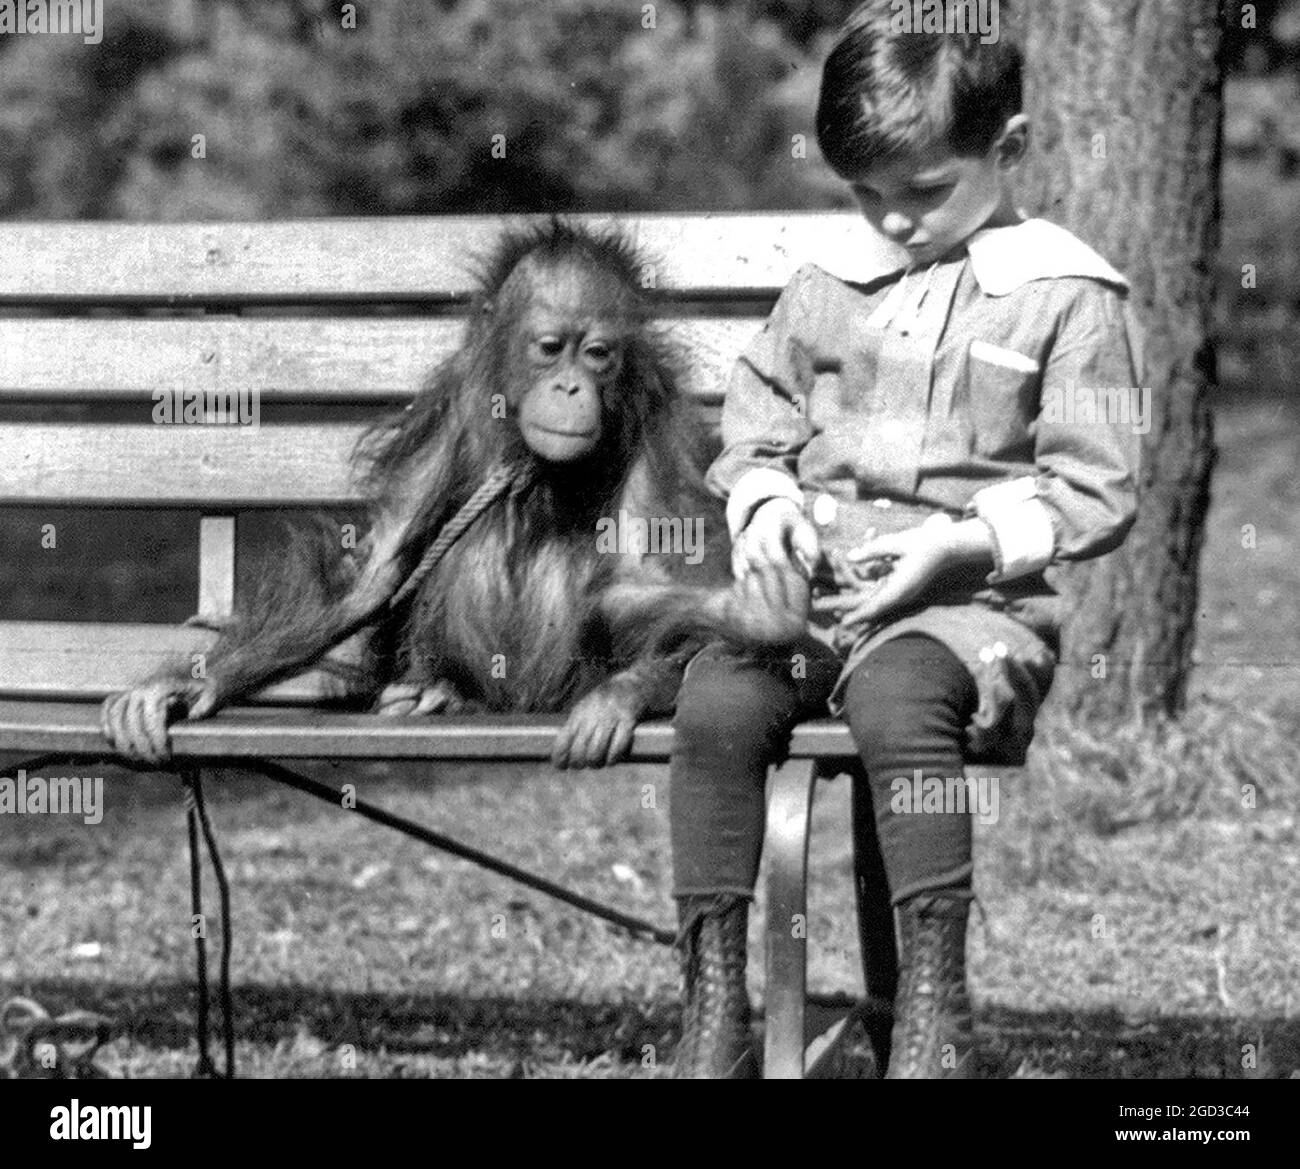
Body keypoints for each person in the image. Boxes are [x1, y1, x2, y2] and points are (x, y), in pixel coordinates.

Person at [671, 1, 1144, 1078]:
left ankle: (930, 1012)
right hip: (815, 595)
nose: (892, 220)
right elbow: (756, 425)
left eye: (924, 191)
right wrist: (764, 502)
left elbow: (1099, 487)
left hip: (964, 607)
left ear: (1009, 149)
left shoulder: (1068, 297)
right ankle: (712, 1006)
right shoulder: (827, 285)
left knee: (897, 703)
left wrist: (962, 544)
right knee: (715, 698)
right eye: (866, 194)